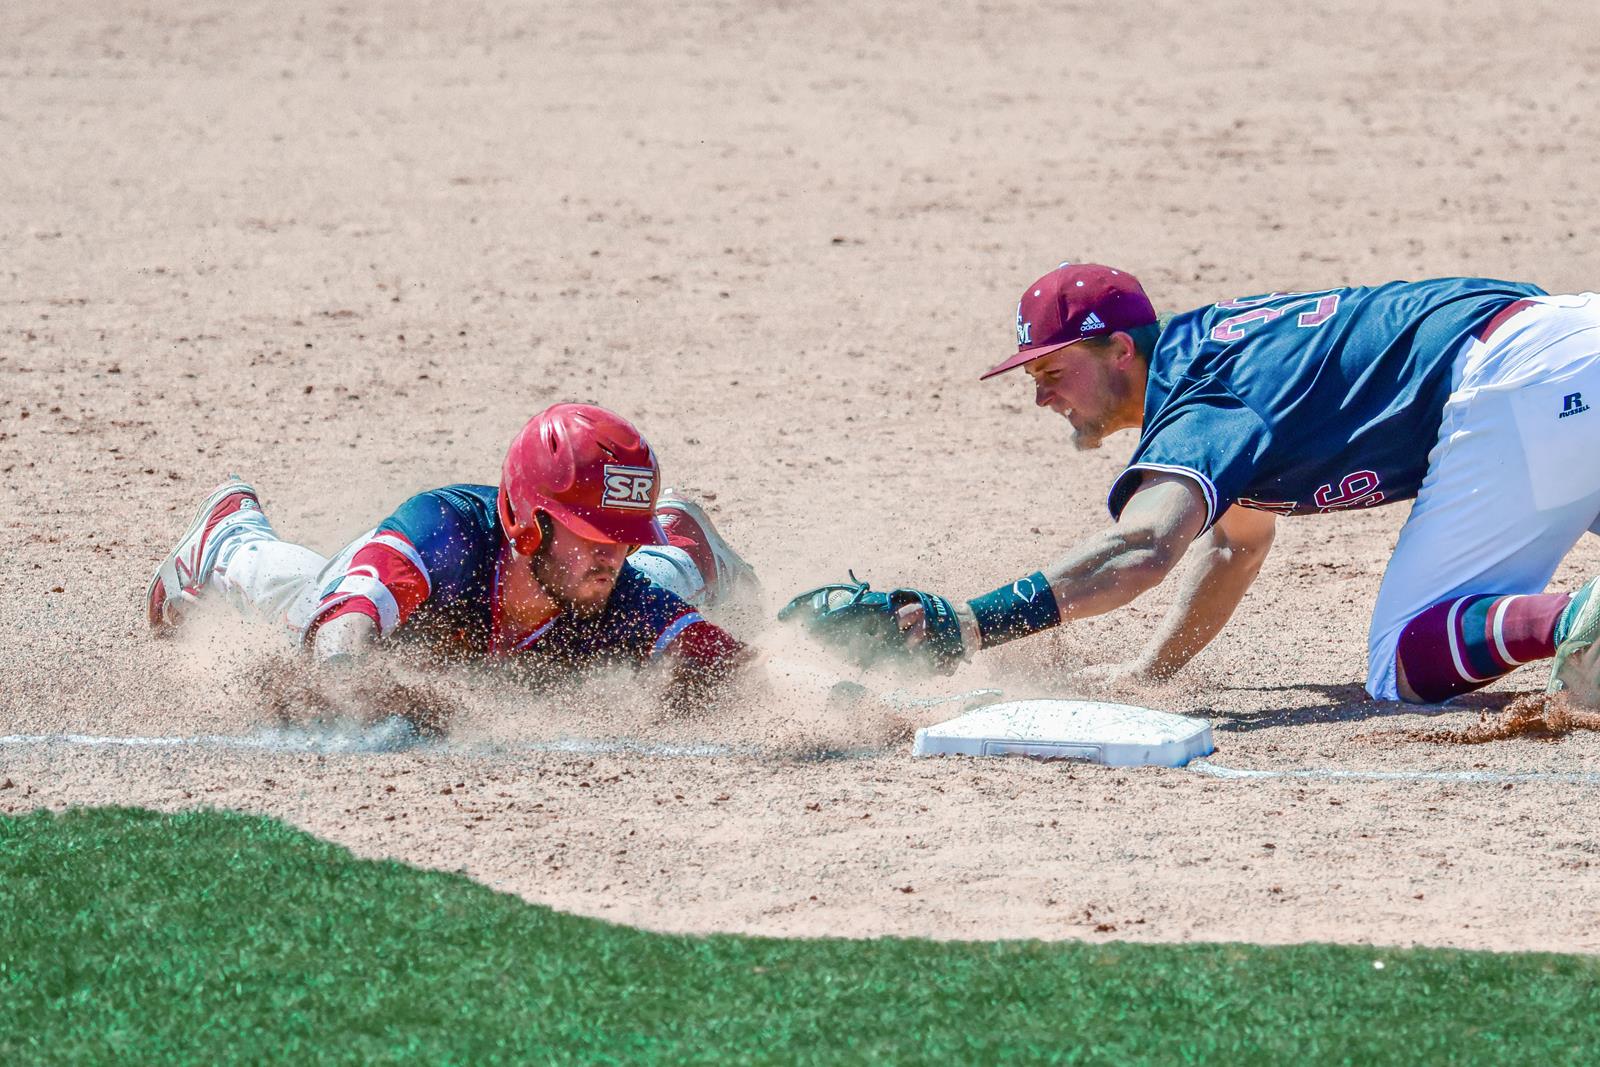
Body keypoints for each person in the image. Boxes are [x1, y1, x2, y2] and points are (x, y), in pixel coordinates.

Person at [810, 262, 1600, 708]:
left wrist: (971, 623)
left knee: (1401, 662)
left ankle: (1573, 615)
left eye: (1052, 370)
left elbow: (1146, 545)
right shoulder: (1225, 359)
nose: (1040, 395)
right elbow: (1235, 547)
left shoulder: (1203, 401)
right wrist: (1152, 671)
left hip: (1520, 384)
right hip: (1566, 341)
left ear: (1121, 350)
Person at [146, 403, 759, 714]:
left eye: (625, 532)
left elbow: (738, 669)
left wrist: (830, 683)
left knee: (652, 579)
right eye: (590, 531)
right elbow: (344, 629)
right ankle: (227, 535)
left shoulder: (610, 580)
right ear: (527, 520)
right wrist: (353, 690)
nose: (612, 551)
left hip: (561, 599)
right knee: (297, 594)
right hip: (351, 597)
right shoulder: (443, 536)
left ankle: (685, 539)